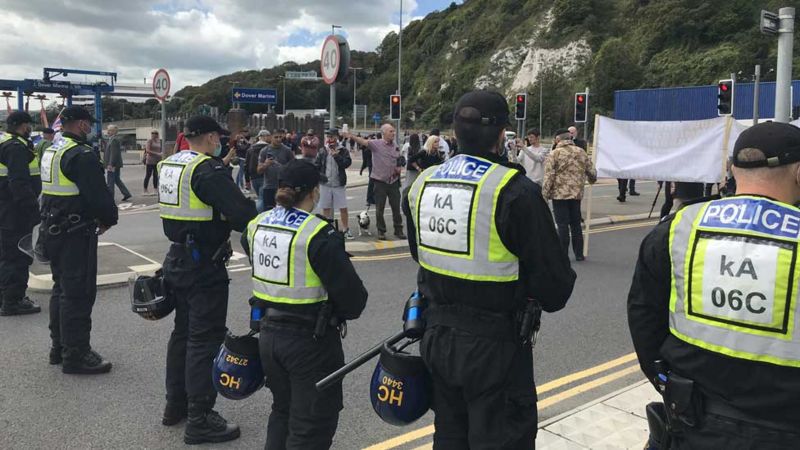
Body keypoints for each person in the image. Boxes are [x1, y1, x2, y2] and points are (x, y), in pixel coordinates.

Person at [404, 90, 576, 449]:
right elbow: (556, 288)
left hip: (437, 341)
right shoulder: (514, 190)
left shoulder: (422, 184)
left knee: (450, 437)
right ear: (502, 135)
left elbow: (420, 254)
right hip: (495, 352)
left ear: (455, 132)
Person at [628, 121, 800, 448]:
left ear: (733, 170)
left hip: (691, 421)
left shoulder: (678, 227)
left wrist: (669, 385)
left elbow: (643, 318)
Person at [242, 159, 368, 450]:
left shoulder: (257, 225)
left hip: (269, 335)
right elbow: (354, 301)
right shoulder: (317, 233)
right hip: (310, 341)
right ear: (313, 192)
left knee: (282, 412)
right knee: (311, 426)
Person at [157, 115, 257, 444]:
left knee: (182, 334)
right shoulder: (208, 169)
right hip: (203, 264)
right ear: (212, 138)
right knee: (205, 339)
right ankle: (200, 417)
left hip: (177, 258)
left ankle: (176, 405)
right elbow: (243, 214)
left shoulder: (171, 165)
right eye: (219, 138)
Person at [40, 106, 118, 373]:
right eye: (89, 124)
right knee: (78, 294)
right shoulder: (81, 154)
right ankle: (77, 355)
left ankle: (59, 348)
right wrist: (109, 219)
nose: (91, 129)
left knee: (60, 289)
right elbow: (99, 197)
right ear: (83, 125)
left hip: (53, 229)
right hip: (76, 233)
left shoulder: (52, 150)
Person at [0, 112, 42, 316]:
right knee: (18, 256)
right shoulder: (15, 148)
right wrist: (34, 211)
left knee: (6, 255)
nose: (30, 128)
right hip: (15, 212)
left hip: (6, 209)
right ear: (22, 126)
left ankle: (5, 297)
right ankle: (13, 301)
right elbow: (19, 183)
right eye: (28, 124)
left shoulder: (6, 142)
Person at [542, 129, 597, 261]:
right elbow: (592, 172)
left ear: (557, 139)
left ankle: (563, 254)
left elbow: (549, 175)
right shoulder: (581, 152)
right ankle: (579, 254)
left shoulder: (555, 154)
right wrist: (591, 180)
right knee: (575, 224)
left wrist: (544, 194)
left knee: (562, 225)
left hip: (559, 194)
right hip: (576, 194)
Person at [345, 124, 405, 240]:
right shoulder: (376, 144)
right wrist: (350, 136)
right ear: (384, 133)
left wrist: (399, 166)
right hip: (380, 182)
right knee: (379, 208)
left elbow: (399, 158)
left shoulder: (396, 146)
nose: (393, 133)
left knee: (396, 208)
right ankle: (381, 231)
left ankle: (399, 230)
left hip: (393, 181)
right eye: (391, 131)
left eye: (393, 131)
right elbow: (363, 141)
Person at [315, 129, 354, 239]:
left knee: (343, 207)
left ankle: (346, 229)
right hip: (325, 184)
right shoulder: (323, 150)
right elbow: (317, 165)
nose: (330, 139)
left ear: (337, 137)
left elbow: (346, 164)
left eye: (332, 136)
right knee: (325, 208)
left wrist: (337, 156)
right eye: (328, 136)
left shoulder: (343, 150)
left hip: (338, 184)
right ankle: (327, 230)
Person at [258, 129, 295, 211]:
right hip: (269, 186)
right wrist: (266, 164)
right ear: (271, 137)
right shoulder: (264, 151)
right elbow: (259, 170)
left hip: (283, 187)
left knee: (284, 211)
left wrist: (282, 167)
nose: (279, 139)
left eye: (280, 137)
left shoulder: (287, 150)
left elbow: (293, 168)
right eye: (276, 137)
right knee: (268, 212)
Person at [104, 124, 132, 202]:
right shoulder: (111, 139)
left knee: (110, 181)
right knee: (116, 180)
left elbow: (114, 153)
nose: (107, 131)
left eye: (109, 130)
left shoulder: (114, 140)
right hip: (114, 164)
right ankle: (126, 193)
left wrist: (111, 164)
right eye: (108, 130)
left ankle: (110, 197)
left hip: (113, 165)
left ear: (113, 131)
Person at [247, 130, 271, 211]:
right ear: (266, 137)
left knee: (260, 197)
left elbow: (246, 165)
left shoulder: (250, 149)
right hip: (265, 175)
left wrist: (247, 180)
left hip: (253, 177)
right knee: (262, 199)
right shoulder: (269, 148)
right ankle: (259, 216)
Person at [144, 130, 162, 195]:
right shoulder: (149, 141)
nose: (154, 134)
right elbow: (147, 150)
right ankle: (145, 190)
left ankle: (155, 189)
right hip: (150, 160)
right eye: (152, 133)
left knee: (155, 175)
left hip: (157, 160)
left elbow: (160, 149)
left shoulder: (159, 141)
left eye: (156, 133)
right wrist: (157, 154)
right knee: (148, 175)